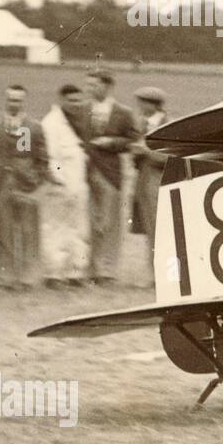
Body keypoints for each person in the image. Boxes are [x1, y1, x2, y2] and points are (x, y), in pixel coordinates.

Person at [0, 85, 49, 288]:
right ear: (6, 100)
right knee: (2, 232)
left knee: (29, 232)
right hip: (1, 185)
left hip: (26, 186)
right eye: (11, 99)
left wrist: (35, 181)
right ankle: (7, 276)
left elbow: (43, 160)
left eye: (18, 100)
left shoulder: (34, 127)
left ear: (24, 102)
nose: (14, 103)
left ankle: (28, 278)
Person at [83, 70, 139, 285]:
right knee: (91, 223)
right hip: (87, 173)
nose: (90, 89)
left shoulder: (123, 113)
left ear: (107, 86)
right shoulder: (83, 110)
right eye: (88, 85)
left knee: (110, 223)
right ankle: (92, 269)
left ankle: (107, 271)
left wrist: (112, 143)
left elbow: (133, 140)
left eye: (94, 85)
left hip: (110, 174)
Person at [39, 83, 92, 286]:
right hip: (60, 186)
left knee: (79, 230)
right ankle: (54, 274)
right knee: (56, 229)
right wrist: (60, 182)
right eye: (71, 100)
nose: (76, 104)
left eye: (79, 100)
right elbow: (51, 158)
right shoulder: (52, 123)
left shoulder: (79, 122)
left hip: (79, 186)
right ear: (62, 100)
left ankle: (75, 273)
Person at [129, 87, 169, 283]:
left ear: (153, 104)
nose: (140, 107)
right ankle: (155, 275)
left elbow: (170, 157)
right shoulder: (143, 125)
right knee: (151, 233)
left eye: (143, 103)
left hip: (159, 185)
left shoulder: (167, 126)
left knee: (160, 233)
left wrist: (145, 152)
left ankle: (161, 277)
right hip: (144, 185)